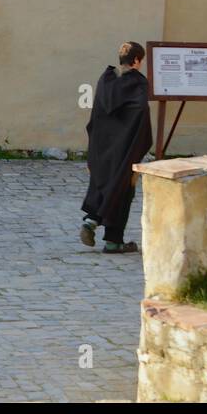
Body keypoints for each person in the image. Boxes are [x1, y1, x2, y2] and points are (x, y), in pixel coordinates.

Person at [80, 41, 153, 254]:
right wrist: (140, 150)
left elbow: (97, 115)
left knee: (103, 185)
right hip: (125, 149)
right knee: (122, 192)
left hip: (103, 148)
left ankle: (92, 220)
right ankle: (114, 241)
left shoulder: (106, 80)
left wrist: (93, 151)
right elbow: (140, 115)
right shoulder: (138, 84)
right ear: (137, 61)